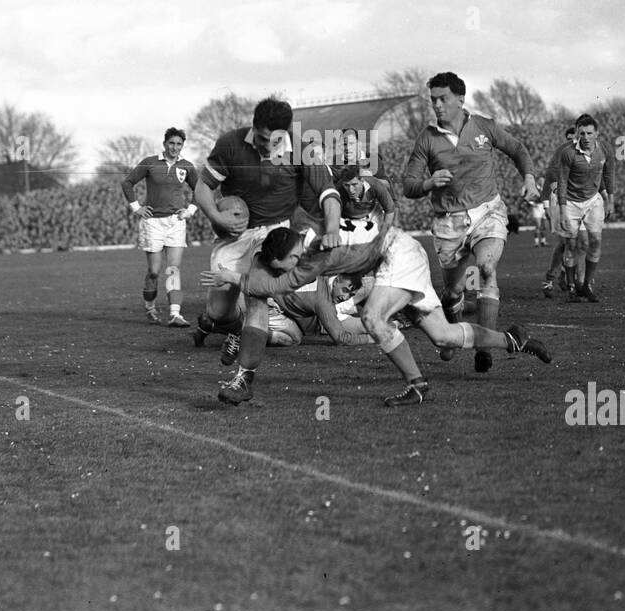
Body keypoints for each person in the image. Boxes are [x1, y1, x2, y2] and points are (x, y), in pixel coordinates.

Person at [212, 225, 552, 406]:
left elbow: (280, 284)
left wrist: (235, 279)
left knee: (375, 319)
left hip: (396, 254)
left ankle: (418, 386)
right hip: (399, 251)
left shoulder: (311, 258)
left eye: (284, 263)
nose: (288, 267)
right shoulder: (311, 237)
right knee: (443, 336)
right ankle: (513, 339)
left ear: (289, 255)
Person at [192, 97, 342, 396]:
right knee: (219, 311)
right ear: (253, 126)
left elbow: (328, 193)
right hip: (233, 236)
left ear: (285, 133)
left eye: (274, 141)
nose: (266, 147)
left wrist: (334, 227)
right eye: (261, 139)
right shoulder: (230, 144)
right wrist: (216, 215)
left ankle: (243, 379)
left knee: (257, 294)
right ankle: (235, 330)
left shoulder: (302, 149)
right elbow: (203, 186)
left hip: (275, 232)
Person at [401, 72, 539, 372]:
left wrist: (528, 177)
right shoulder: (427, 138)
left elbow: (517, 149)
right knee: (453, 292)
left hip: (487, 212)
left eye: (443, 99)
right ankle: (452, 324)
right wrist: (429, 182)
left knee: (487, 268)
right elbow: (408, 185)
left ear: (460, 99)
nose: (437, 105)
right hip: (449, 223)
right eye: (433, 100)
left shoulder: (483, 126)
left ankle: (484, 347)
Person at [121, 127, 198, 326]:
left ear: (182, 146)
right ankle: (150, 308)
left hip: (176, 222)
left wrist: (189, 210)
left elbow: (201, 189)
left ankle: (175, 314)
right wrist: (136, 208)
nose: (175, 147)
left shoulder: (187, 166)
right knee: (154, 271)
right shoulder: (150, 162)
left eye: (179, 144)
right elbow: (127, 183)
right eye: (171, 143)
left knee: (173, 268)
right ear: (164, 144)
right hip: (152, 223)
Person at [555, 114, 615, 302]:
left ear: (597, 133)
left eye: (590, 133)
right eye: (582, 133)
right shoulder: (568, 153)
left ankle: (587, 285)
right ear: (577, 134)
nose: (586, 137)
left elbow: (609, 175)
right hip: (571, 202)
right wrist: (563, 210)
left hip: (592, 201)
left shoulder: (605, 150)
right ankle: (573, 287)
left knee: (595, 241)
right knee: (571, 245)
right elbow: (562, 182)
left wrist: (610, 200)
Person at [542, 125, 578, 298]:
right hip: (561, 205)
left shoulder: (584, 158)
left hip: (580, 204)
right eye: (569, 139)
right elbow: (549, 178)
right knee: (565, 243)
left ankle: (565, 278)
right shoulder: (560, 158)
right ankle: (552, 278)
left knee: (576, 244)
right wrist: (545, 206)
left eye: (574, 139)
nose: (572, 142)